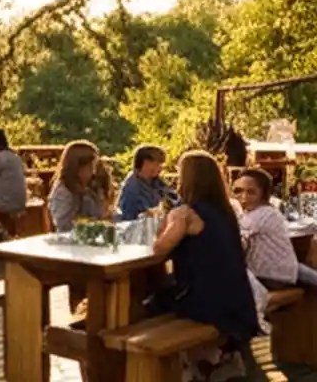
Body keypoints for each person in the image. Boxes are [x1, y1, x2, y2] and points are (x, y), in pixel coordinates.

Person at [151, 151, 260, 380]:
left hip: (207, 302)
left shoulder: (187, 214)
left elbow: (159, 248)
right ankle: (214, 361)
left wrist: (169, 217)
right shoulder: (226, 212)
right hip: (238, 300)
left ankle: (176, 370)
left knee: (149, 305)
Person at [234, 168, 317, 287]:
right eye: (238, 191)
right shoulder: (261, 212)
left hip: (272, 274)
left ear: (263, 193)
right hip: (282, 269)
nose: (243, 197)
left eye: (251, 192)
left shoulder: (263, 213)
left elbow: (239, 237)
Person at [47, 140, 105, 232]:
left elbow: (100, 214)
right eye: (90, 167)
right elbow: (63, 225)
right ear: (77, 167)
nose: (93, 172)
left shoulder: (91, 188)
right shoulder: (63, 191)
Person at [118, 145, 180, 221]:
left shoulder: (158, 183)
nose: (160, 168)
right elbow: (129, 216)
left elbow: (174, 201)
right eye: (157, 163)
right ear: (146, 162)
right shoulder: (132, 187)